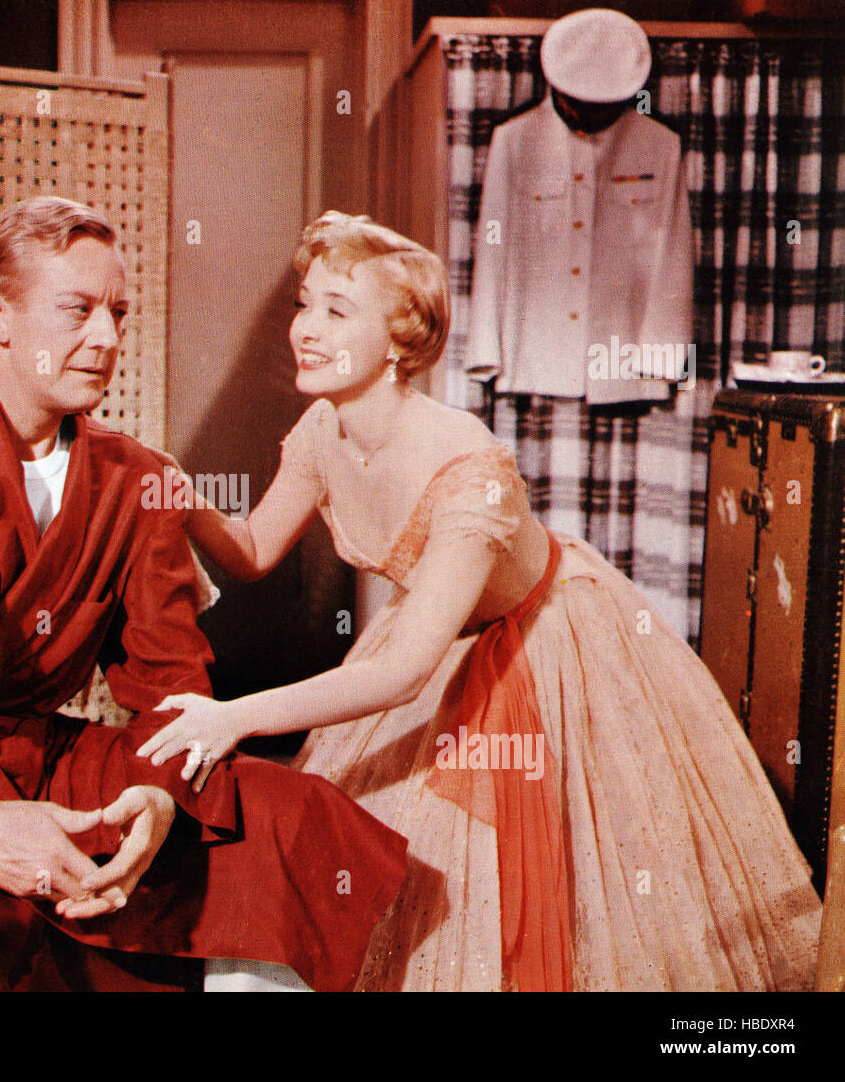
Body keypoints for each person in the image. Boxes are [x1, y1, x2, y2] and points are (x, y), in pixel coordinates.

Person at [0, 196, 411, 992]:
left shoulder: (135, 479)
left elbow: (170, 689)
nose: (106, 338)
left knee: (280, 813)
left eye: (117, 314)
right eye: (77, 310)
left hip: (29, 757)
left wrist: (156, 800)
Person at [140, 209, 823, 991]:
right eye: (305, 303)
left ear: (399, 341)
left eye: (337, 310)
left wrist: (234, 716)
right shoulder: (324, 428)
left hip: (547, 640)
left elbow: (401, 675)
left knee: (546, 888)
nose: (306, 329)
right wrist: (180, 493)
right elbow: (252, 551)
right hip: (435, 639)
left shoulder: (469, 469)